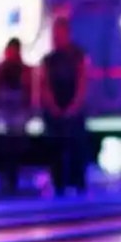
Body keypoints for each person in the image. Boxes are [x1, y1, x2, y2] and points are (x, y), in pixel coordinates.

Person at [40, 17, 90, 195]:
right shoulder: (49, 59)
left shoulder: (78, 55)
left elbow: (83, 81)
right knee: (55, 148)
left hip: (74, 108)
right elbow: (44, 84)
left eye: (60, 33)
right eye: (55, 33)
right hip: (55, 109)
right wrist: (53, 106)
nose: (56, 37)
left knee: (77, 146)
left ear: (67, 33)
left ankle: (79, 182)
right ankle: (58, 183)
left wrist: (74, 106)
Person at [0, 38, 34, 193]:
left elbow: (29, 92)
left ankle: (13, 178)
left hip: (18, 113)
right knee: (3, 146)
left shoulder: (25, 70)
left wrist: (29, 112)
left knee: (16, 147)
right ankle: (4, 177)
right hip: (3, 112)